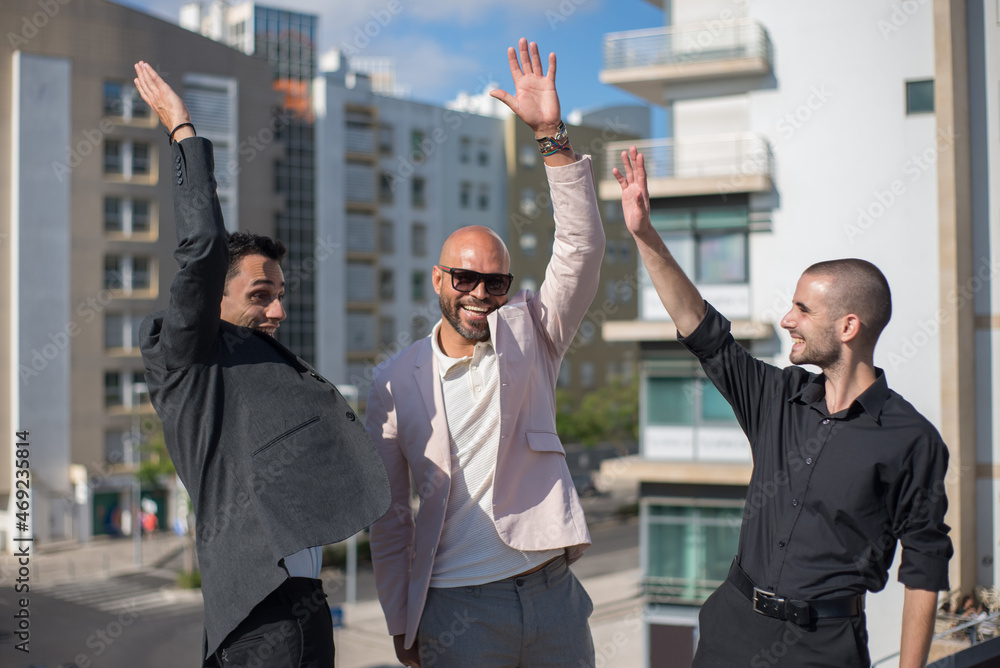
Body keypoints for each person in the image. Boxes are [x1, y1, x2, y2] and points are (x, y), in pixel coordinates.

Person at [614, 147, 952, 668]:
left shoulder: (911, 439)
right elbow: (703, 332)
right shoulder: (777, 396)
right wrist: (644, 234)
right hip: (731, 628)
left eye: (803, 308)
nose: (786, 320)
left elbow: (925, 568)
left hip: (824, 648)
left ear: (848, 326)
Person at [133, 62, 391, 667]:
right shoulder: (190, 357)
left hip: (284, 611)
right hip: (263, 618)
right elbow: (199, 251)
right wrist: (183, 131)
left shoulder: (262, 359)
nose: (276, 309)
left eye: (280, 294)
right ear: (213, 298)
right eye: (259, 295)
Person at [365, 39, 603, 668]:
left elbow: (579, 249)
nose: (479, 294)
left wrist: (551, 136)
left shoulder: (533, 334)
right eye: (464, 278)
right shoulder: (393, 381)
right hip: (456, 609)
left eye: (494, 282)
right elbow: (390, 519)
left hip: (553, 595)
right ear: (438, 280)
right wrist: (400, 622)